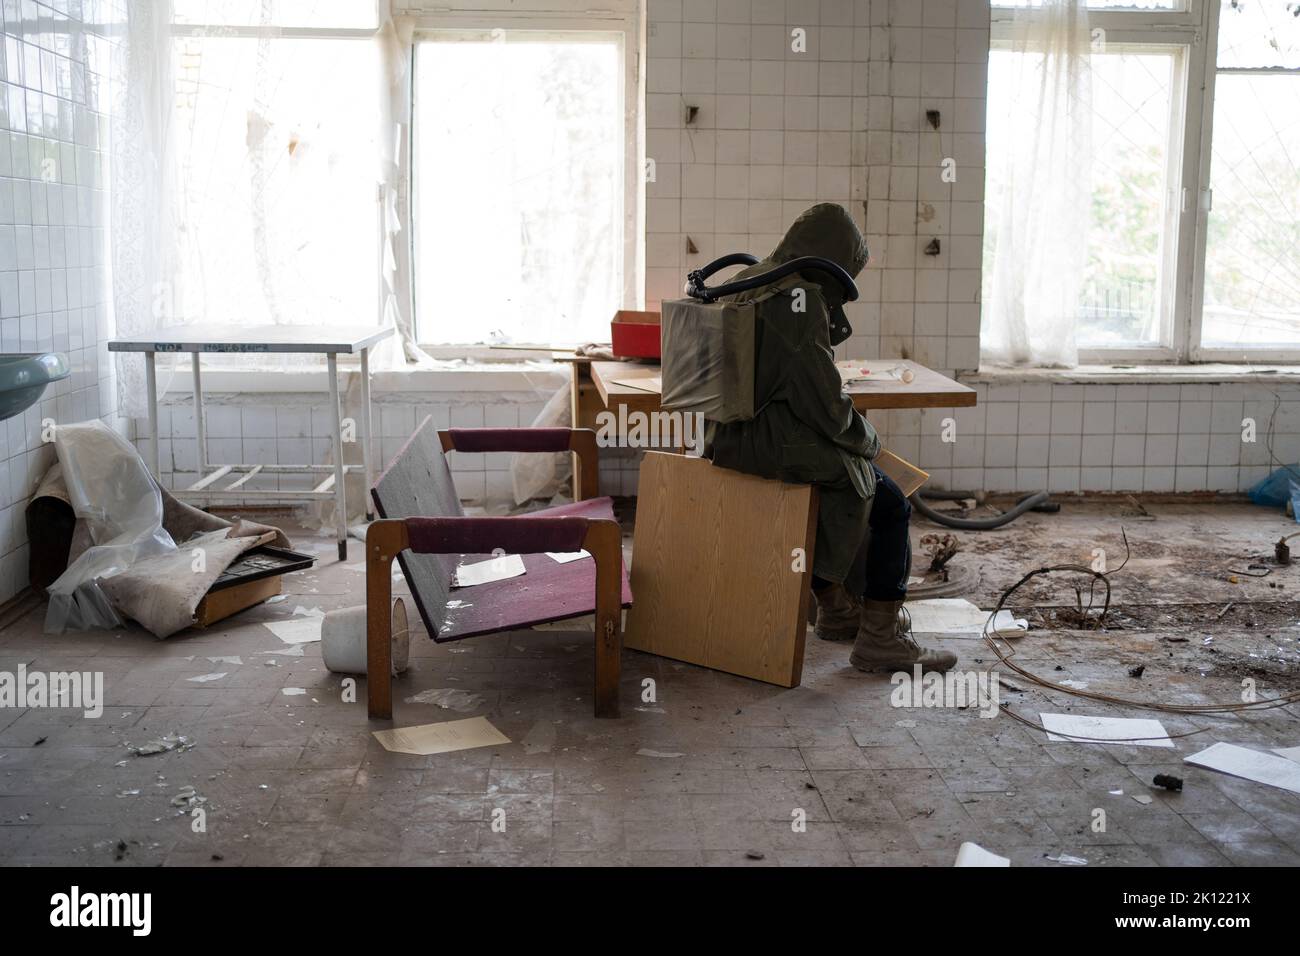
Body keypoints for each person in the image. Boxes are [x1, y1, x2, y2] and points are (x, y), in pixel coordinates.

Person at [701, 203, 956, 673]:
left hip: (730, 437)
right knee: (891, 502)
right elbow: (824, 406)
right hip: (771, 443)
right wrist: (870, 442)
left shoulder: (754, 279)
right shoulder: (797, 298)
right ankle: (879, 639)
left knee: (855, 481)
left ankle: (838, 613)